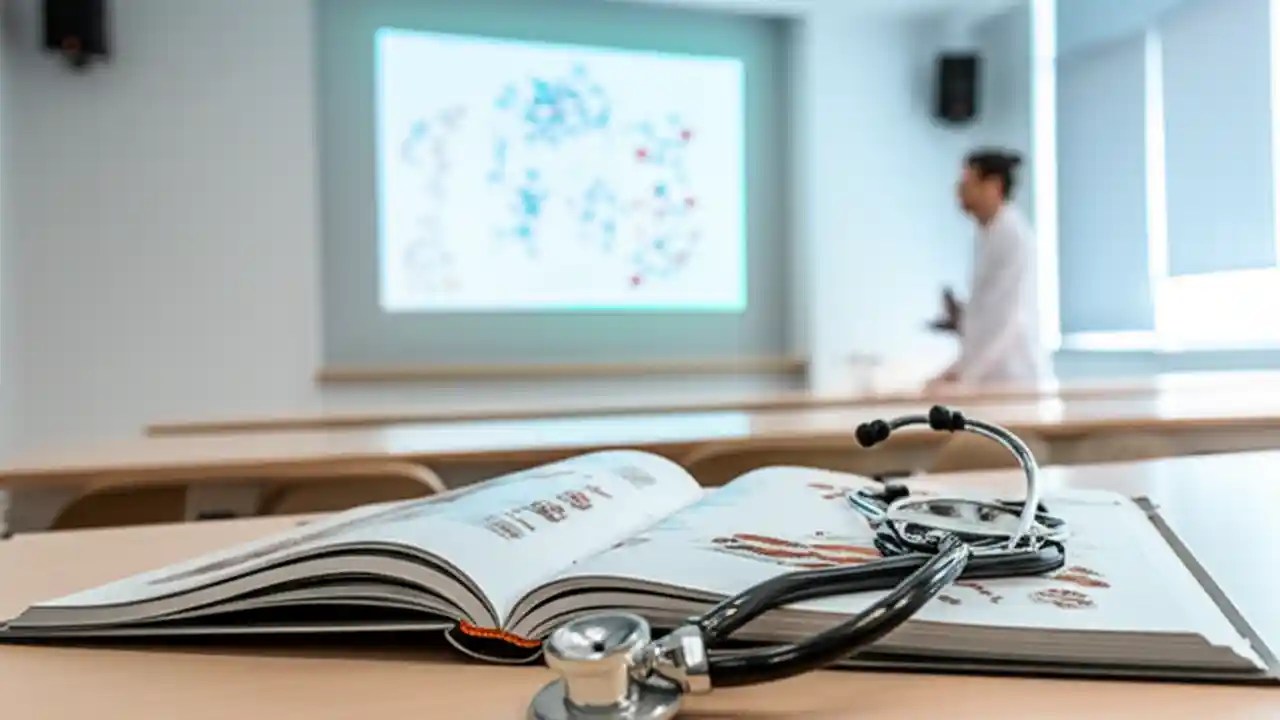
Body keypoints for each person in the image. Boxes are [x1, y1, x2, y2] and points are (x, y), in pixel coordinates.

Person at [928, 150, 1049, 389]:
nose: (959, 191)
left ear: (993, 186)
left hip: (1011, 375)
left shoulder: (1012, 236)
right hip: (992, 374)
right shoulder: (989, 234)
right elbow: (987, 313)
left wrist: (965, 377)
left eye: (967, 182)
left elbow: (1005, 320)